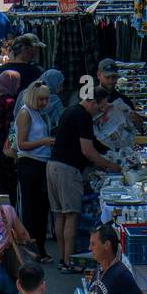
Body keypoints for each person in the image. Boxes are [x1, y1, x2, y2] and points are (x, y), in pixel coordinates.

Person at [47, 89, 121, 272]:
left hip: (53, 166)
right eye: (101, 105)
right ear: (93, 102)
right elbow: (87, 150)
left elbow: (93, 142)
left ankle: (63, 258)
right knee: (72, 215)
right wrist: (111, 165)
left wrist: (107, 151)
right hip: (67, 169)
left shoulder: (70, 111)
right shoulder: (84, 117)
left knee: (59, 214)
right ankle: (69, 261)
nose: (101, 110)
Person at [15, 81, 55, 260]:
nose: (44, 103)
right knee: (31, 209)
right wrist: (44, 141)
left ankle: (39, 247)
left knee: (42, 208)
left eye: (46, 99)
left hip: (42, 164)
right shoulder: (25, 113)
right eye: (41, 99)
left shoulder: (40, 113)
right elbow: (21, 144)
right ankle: (31, 249)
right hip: (30, 163)